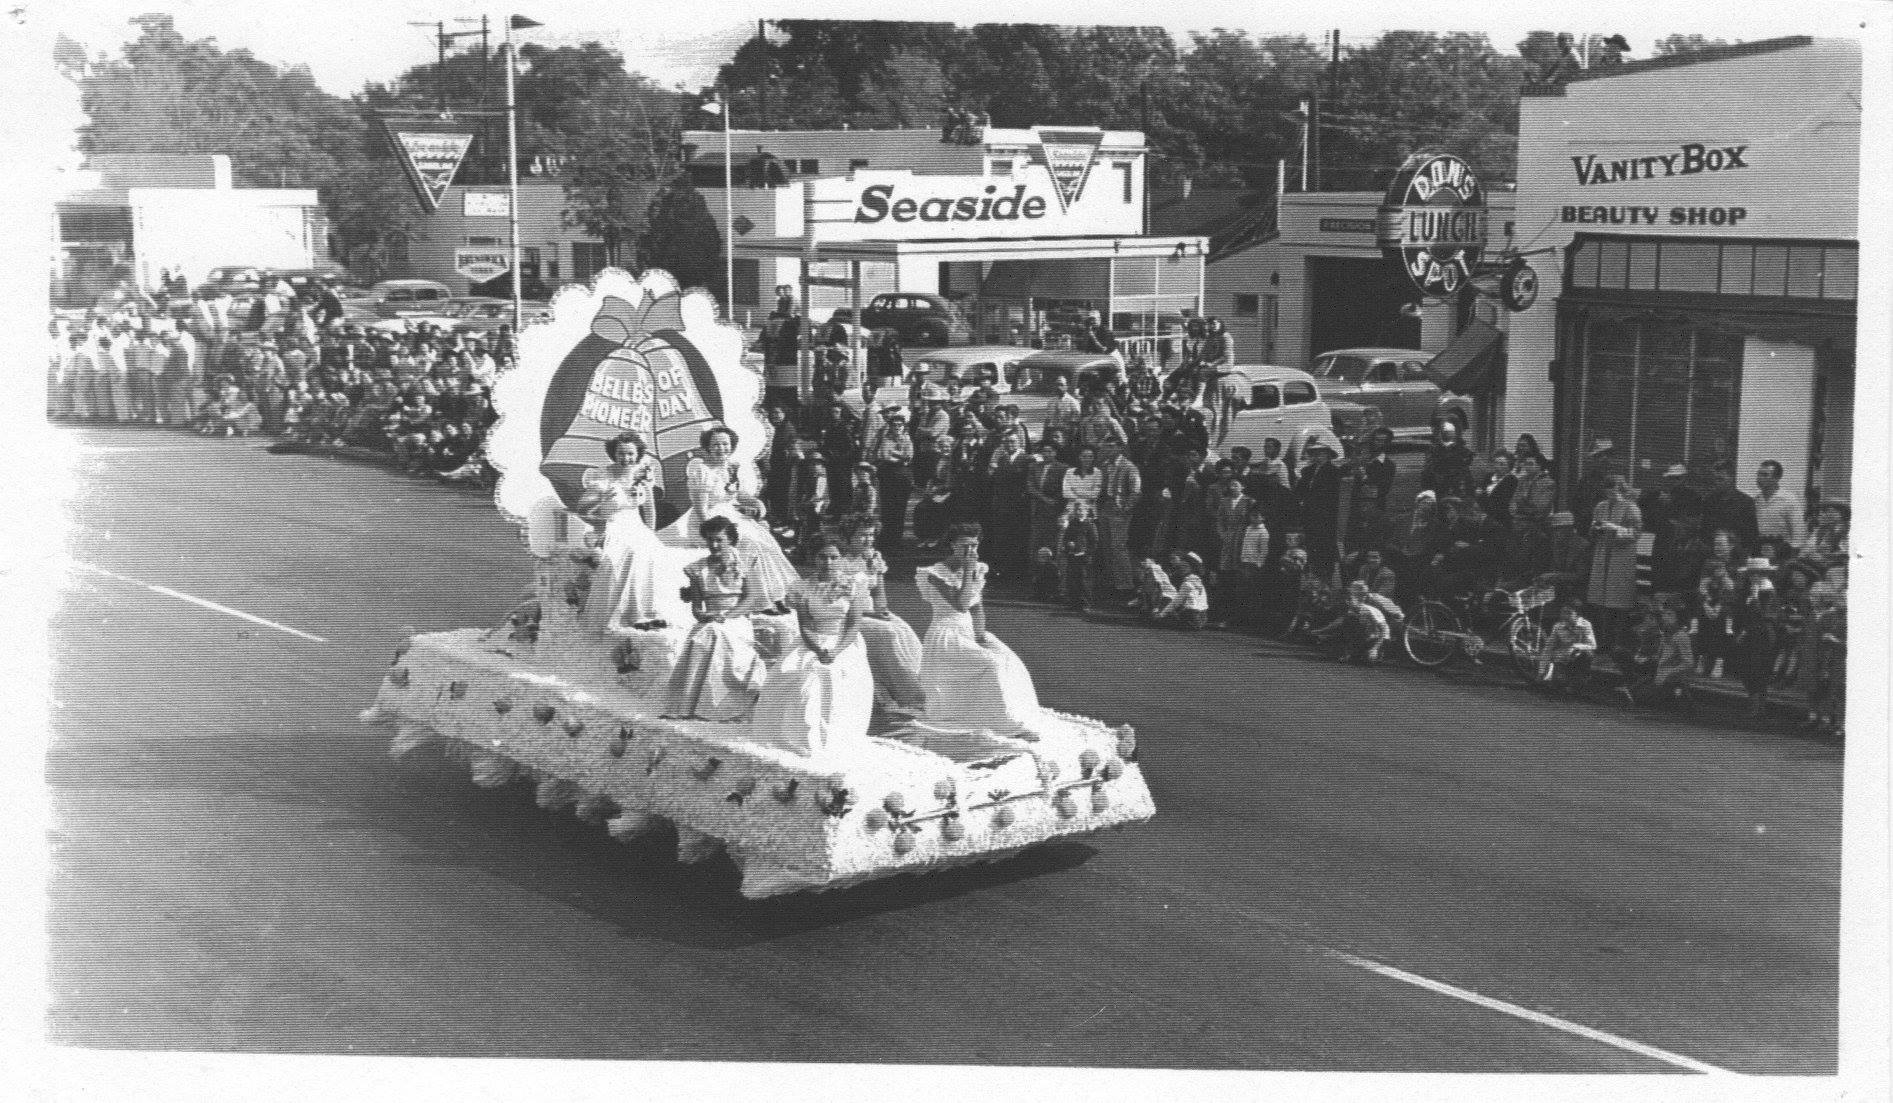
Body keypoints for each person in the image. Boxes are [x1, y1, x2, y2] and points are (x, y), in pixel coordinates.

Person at [748, 538, 874, 758]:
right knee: (801, 678)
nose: (828, 562)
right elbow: (805, 625)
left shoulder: (854, 586)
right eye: (822, 557)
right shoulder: (803, 588)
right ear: (814, 559)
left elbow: (854, 624)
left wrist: (835, 651)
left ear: (842, 559)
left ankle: (835, 738)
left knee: (836, 678)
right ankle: (799, 736)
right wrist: (817, 649)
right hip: (813, 641)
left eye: (834, 557)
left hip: (843, 642)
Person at [914, 523, 1042, 734]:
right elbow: (961, 604)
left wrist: (980, 636)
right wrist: (967, 572)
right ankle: (1005, 723)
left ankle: (1000, 713)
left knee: (1006, 658)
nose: (971, 551)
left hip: (968, 631)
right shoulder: (934, 573)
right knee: (992, 664)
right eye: (965, 546)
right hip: (946, 634)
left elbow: (976, 609)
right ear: (952, 545)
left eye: (974, 546)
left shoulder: (978, 569)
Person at [660, 426, 798, 607]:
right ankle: (759, 598)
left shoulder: (729, 467)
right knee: (750, 543)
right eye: (716, 444)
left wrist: (758, 504)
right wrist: (713, 533)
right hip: (710, 521)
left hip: (731, 515)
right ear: (708, 448)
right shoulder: (702, 471)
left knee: (765, 540)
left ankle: (774, 594)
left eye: (725, 444)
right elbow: (701, 508)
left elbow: (736, 493)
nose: (721, 448)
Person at [663, 516, 766, 722]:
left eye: (719, 540)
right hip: (709, 620)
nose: (714, 545)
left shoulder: (745, 563)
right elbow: (697, 608)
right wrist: (704, 616)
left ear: (731, 540)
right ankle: (692, 704)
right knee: (707, 632)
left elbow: (752, 598)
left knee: (713, 632)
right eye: (710, 540)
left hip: (736, 618)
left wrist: (726, 616)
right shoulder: (697, 569)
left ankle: (727, 702)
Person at [576, 431, 668, 632]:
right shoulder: (603, 476)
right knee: (630, 554)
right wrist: (601, 499)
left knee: (653, 553)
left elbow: (649, 510)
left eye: (630, 454)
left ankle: (649, 612)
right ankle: (629, 615)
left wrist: (650, 534)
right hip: (612, 526)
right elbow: (582, 508)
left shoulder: (643, 475)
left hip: (637, 528)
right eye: (621, 454)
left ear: (638, 455)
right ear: (614, 454)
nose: (626, 458)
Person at [838, 520, 927, 712]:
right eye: (862, 534)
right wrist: (871, 614)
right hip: (847, 616)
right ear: (848, 538)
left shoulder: (875, 559)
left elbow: (878, 593)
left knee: (903, 629)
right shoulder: (839, 563)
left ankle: (915, 684)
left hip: (870, 613)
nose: (868, 539)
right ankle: (906, 693)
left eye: (871, 534)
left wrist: (882, 610)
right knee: (888, 633)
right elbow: (840, 602)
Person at [1587, 474, 1643, 652]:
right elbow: (1592, 529)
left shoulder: (1631, 507)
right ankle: (1603, 640)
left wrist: (1616, 528)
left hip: (1621, 556)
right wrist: (1595, 529)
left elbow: (1636, 533)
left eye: (1615, 493)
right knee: (1601, 599)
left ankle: (1618, 643)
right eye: (1608, 493)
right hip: (1603, 554)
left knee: (1618, 600)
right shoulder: (1601, 506)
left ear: (1621, 491)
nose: (1611, 496)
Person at [1617, 602, 1696, 710]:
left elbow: (1688, 663)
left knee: (1643, 698)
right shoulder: (1666, 635)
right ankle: (1633, 689)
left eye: (1670, 615)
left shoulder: (1681, 636)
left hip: (1673, 680)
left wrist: (1668, 673)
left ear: (1678, 618)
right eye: (1665, 614)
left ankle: (1677, 696)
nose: (1666, 618)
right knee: (1622, 655)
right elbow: (1659, 658)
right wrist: (1646, 659)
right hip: (1660, 675)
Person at [1731, 556, 1778, 718]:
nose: (1755, 577)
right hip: (1747, 635)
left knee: (1759, 669)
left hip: (1762, 635)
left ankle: (1759, 706)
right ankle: (1754, 702)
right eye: (1752, 574)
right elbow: (1741, 613)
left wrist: (1756, 597)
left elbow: (1763, 615)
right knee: (1747, 669)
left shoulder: (1769, 592)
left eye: (1759, 574)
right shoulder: (1747, 590)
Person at [1306, 580, 1389, 662]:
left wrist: (1375, 649)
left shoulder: (1369, 611)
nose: (1348, 600)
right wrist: (1320, 631)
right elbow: (1338, 623)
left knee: (1368, 659)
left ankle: (1363, 653)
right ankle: (1351, 651)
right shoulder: (1351, 610)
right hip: (1365, 637)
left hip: (1379, 640)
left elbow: (1384, 632)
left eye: (1353, 596)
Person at [1296, 440, 1344, 581]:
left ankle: (1325, 580)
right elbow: (1300, 491)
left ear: (1328, 455)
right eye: (1315, 454)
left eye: (1321, 454)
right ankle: (1313, 578)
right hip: (1308, 515)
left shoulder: (1334, 472)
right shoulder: (1307, 471)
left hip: (1325, 516)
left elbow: (1331, 496)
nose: (1318, 457)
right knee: (1310, 547)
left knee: (1325, 547)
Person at [1536, 602, 1597, 693]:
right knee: (1557, 684)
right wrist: (1541, 671)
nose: (1565, 616)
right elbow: (1548, 648)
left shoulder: (1585, 625)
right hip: (1561, 658)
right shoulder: (1558, 627)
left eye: (1569, 613)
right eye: (1563, 612)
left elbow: (1592, 645)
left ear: (1577, 614)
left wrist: (1575, 647)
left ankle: (1579, 681)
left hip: (1578, 656)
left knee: (1587, 654)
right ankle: (1563, 678)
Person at [1752, 460, 1804, 556]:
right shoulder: (1756, 500)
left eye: (1765, 475)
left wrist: (1793, 555)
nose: (1759, 478)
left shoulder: (1789, 500)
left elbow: (1798, 533)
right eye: (1758, 474)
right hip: (1760, 552)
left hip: (1783, 552)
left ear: (1777, 478)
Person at [1152, 552, 1209, 629]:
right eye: (1181, 566)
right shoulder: (1199, 581)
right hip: (1203, 617)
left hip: (1192, 617)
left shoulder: (1187, 583)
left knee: (1157, 620)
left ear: (1192, 568)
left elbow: (1176, 602)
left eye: (1185, 566)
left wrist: (1161, 615)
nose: (1182, 569)